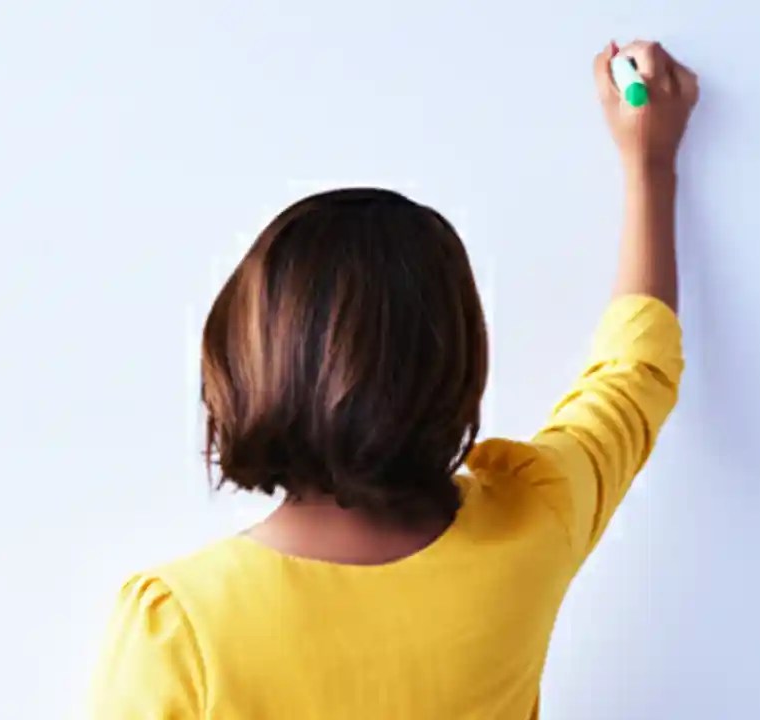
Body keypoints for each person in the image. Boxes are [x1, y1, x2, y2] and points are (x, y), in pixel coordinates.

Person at [91, 39, 698, 719]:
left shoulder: (180, 627)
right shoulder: (533, 521)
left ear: (240, 357)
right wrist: (650, 163)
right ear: (458, 360)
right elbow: (633, 373)